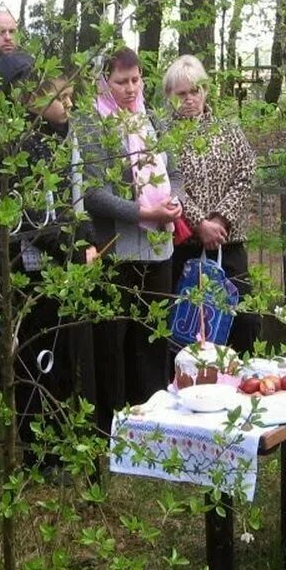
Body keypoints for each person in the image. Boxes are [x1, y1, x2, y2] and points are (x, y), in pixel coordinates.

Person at [0, 52, 97, 470]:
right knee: (36, 356)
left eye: (73, 96)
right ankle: (37, 448)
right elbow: (29, 216)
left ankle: (61, 437)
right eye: (63, 97)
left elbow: (81, 197)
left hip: (69, 263)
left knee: (63, 357)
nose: (70, 105)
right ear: (34, 101)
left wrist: (90, 242)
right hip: (35, 265)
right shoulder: (25, 146)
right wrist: (72, 250)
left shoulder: (69, 139)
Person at [80, 47, 183, 434]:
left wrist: (176, 203)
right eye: (121, 81)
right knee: (113, 339)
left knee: (152, 337)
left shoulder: (151, 118)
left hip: (158, 246)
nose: (130, 88)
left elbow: (177, 173)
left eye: (136, 79)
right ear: (104, 82)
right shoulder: (93, 124)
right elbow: (94, 194)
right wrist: (142, 213)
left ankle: (151, 424)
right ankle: (111, 425)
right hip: (116, 248)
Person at [162, 55, 260, 355]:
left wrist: (219, 221)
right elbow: (166, 183)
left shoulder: (228, 131)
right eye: (182, 94)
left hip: (227, 244)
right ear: (170, 97)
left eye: (196, 91)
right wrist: (199, 223)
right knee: (187, 327)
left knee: (243, 321)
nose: (190, 99)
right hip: (185, 247)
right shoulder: (163, 136)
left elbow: (246, 174)